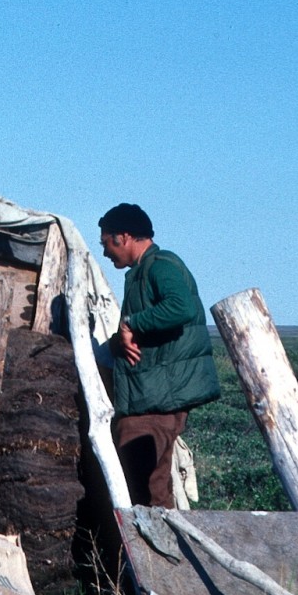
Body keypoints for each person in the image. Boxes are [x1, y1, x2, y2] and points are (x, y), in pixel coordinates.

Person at [98, 203, 220, 508]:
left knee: (148, 489)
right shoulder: (143, 272)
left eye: (106, 243)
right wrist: (119, 342)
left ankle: (157, 554)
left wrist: (131, 323)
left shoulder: (161, 265)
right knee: (147, 482)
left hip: (158, 398)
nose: (105, 252)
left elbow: (181, 308)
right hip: (150, 395)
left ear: (124, 237)